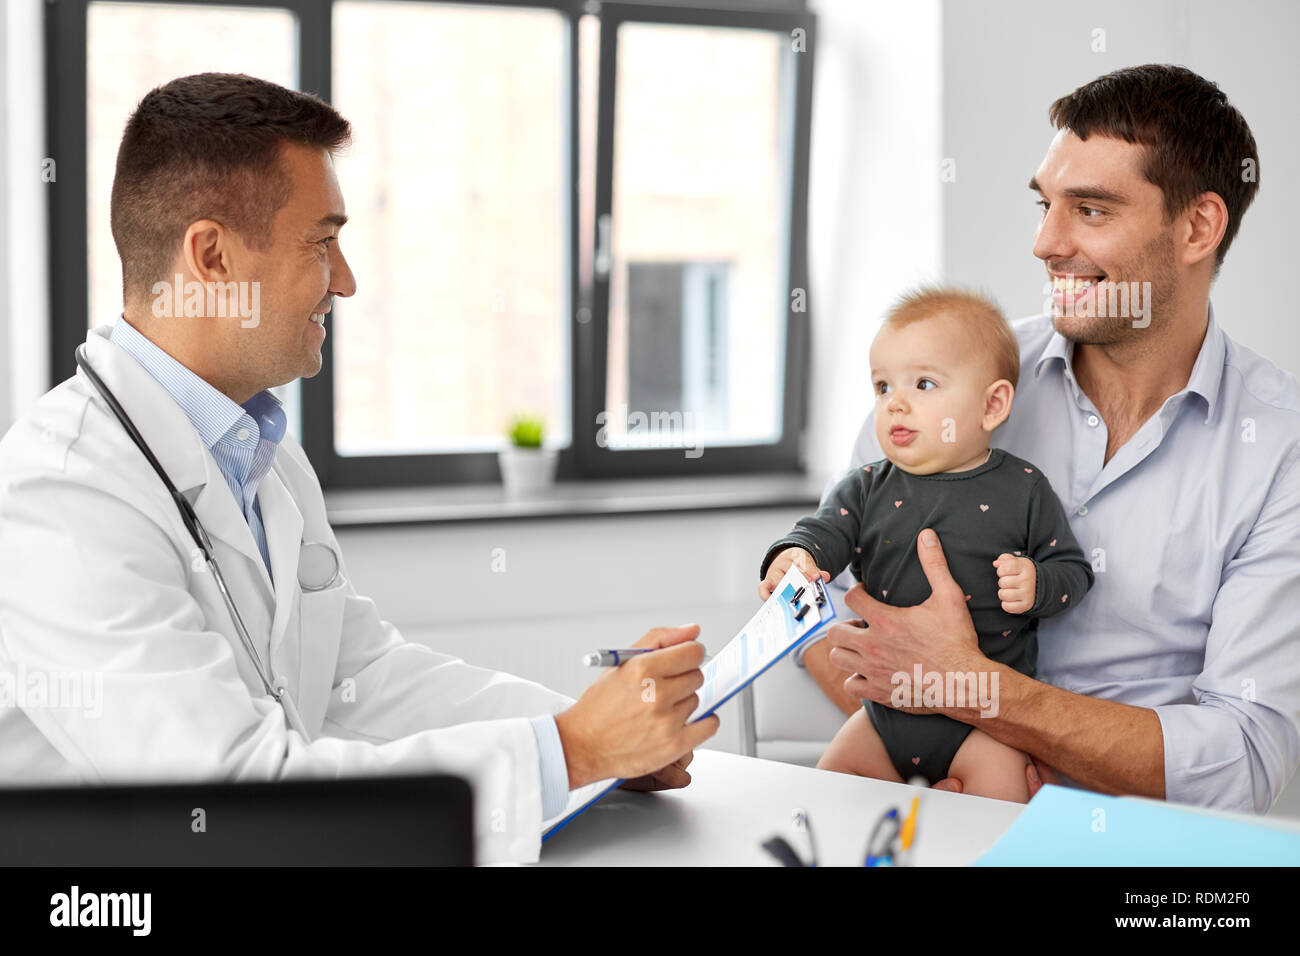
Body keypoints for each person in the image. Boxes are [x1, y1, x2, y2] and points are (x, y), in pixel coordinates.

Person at [0, 73, 717, 864]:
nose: (345, 280)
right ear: (209, 256)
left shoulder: (261, 454)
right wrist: (572, 752)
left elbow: (367, 678)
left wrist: (599, 736)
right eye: (321, 240)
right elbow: (219, 800)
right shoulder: (60, 495)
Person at [799, 64, 1300, 813]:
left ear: (1198, 227)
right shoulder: (960, 376)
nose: (1045, 242)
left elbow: (1245, 757)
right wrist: (941, 752)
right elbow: (816, 611)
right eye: (1045, 204)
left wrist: (979, 694)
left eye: (1090, 210)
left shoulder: (1279, 448)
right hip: (934, 803)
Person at [761, 288, 1093, 801]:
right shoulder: (866, 486)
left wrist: (1039, 584)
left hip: (985, 723)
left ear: (992, 405)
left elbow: (1072, 569)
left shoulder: (1025, 488)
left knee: (995, 829)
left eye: (923, 383)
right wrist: (796, 555)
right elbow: (824, 531)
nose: (895, 401)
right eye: (881, 385)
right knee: (821, 805)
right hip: (880, 717)